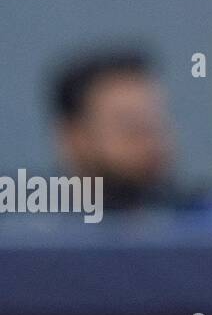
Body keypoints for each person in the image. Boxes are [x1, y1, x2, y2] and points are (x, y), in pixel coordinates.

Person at [49, 50, 187, 213]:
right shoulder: (36, 230)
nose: (150, 140)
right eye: (130, 126)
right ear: (74, 137)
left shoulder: (201, 218)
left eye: (156, 123)